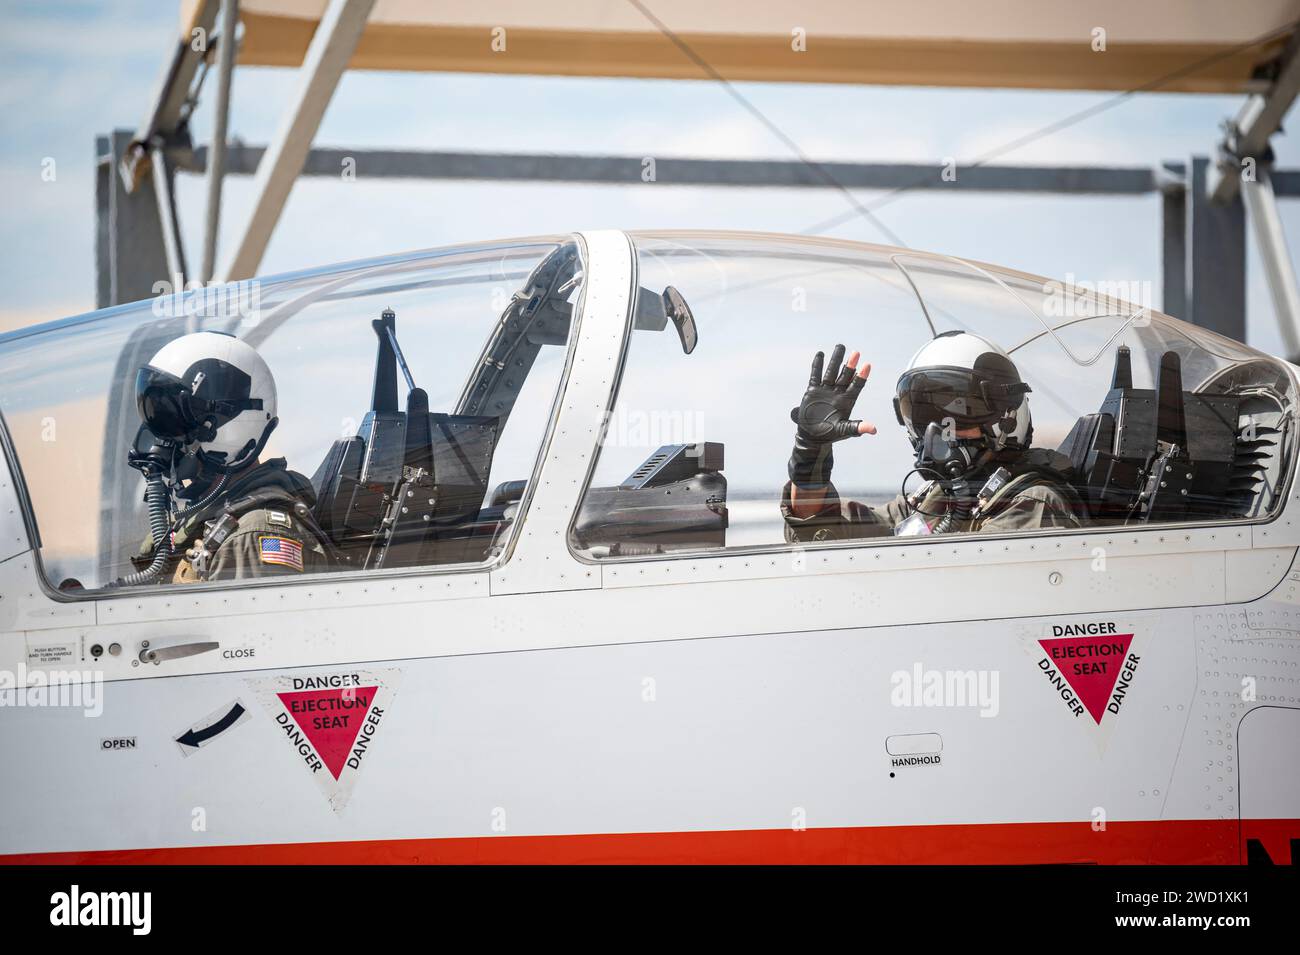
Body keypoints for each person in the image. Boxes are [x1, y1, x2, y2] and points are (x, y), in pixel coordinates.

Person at [782, 332, 1082, 543]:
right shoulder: (934, 499)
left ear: (1007, 418)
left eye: (959, 414)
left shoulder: (1034, 503)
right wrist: (810, 452)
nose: (936, 432)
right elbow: (821, 530)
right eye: (925, 417)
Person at [125, 331, 332, 584]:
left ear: (225, 428)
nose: (159, 439)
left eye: (172, 421)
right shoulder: (200, 520)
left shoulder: (252, 536)